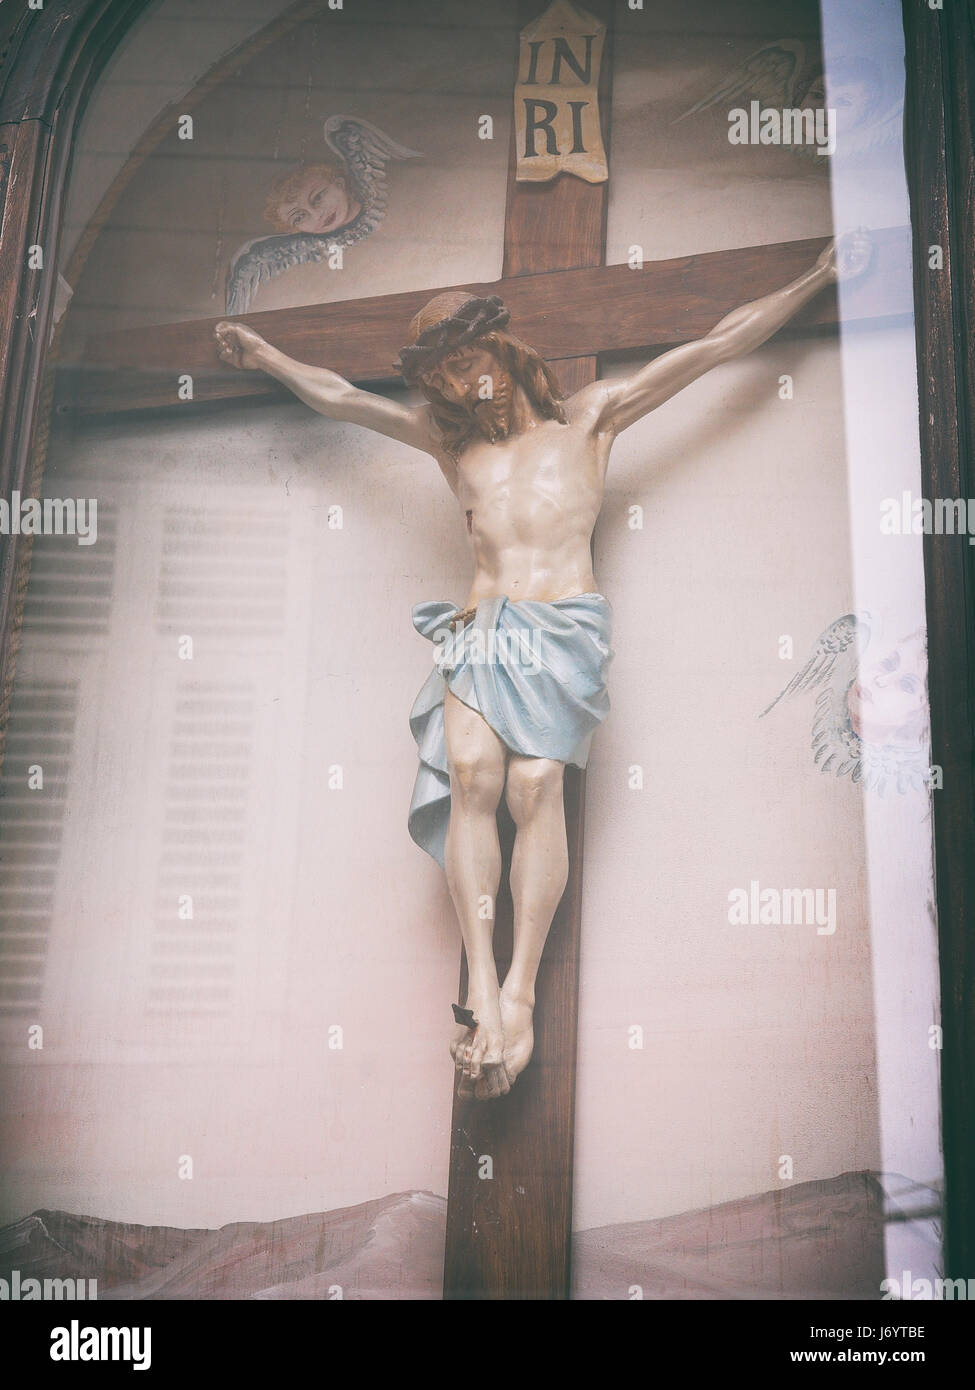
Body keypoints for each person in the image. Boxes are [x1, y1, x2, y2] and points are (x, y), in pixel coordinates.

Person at [214, 228, 872, 1101]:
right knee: (474, 775)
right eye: (442, 374)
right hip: (483, 629)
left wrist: (813, 279)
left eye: (464, 361)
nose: (456, 384)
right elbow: (341, 400)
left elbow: (715, 345)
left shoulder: (590, 420)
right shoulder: (454, 450)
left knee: (534, 789)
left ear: (501, 351)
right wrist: (264, 353)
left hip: (560, 629)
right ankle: (481, 993)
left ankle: (518, 988)